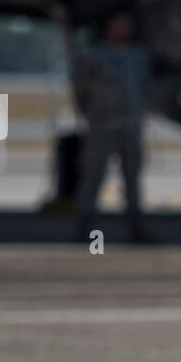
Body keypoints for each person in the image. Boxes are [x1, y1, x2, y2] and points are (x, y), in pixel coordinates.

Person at [72, 13, 151, 242]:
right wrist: (93, 114)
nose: (121, 31)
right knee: (93, 177)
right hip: (102, 126)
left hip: (130, 126)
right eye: (117, 26)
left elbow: (146, 87)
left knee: (133, 179)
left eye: (125, 26)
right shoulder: (94, 57)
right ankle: (85, 226)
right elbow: (80, 88)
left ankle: (136, 228)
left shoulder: (139, 57)